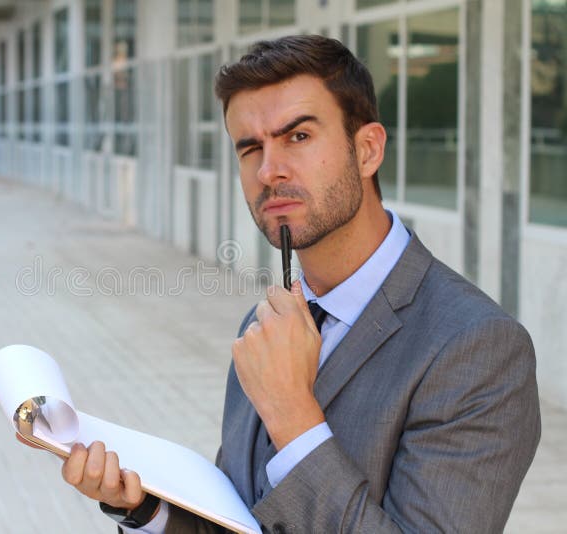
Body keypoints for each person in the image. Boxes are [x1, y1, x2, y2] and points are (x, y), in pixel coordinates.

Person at [58, 35, 541, 533]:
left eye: (298, 137)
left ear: (368, 149)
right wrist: (146, 511)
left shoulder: (478, 347)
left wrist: (292, 416)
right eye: (250, 148)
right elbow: (245, 522)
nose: (269, 171)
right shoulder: (266, 327)